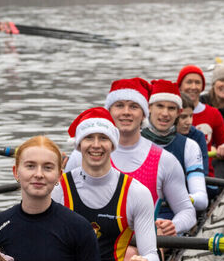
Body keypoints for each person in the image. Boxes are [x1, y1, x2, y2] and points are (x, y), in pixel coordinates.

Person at [56, 107, 159, 261]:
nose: (96, 145)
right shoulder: (57, 188)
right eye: (89, 138)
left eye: (103, 138)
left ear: (112, 144)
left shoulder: (136, 192)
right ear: (79, 145)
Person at [65, 78, 197, 237]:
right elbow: (60, 202)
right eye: (119, 105)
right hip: (87, 243)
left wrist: (173, 226)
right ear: (109, 111)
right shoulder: (81, 155)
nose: (126, 112)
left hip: (141, 245)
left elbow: (187, 212)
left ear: (144, 114)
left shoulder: (164, 160)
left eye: (134, 106)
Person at [144, 79, 208, 217]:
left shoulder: (189, 146)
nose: (165, 113)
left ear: (178, 112)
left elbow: (202, 200)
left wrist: (181, 199)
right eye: (160, 106)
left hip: (173, 219)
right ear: (149, 107)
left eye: (171, 108)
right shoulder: (131, 141)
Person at [177, 65, 224, 177]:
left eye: (197, 83)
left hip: (205, 174)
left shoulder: (213, 113)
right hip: (176, 172)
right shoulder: (170, 111)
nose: (193, 87)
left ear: (202, 87)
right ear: (180, 86)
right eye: (189, 82)